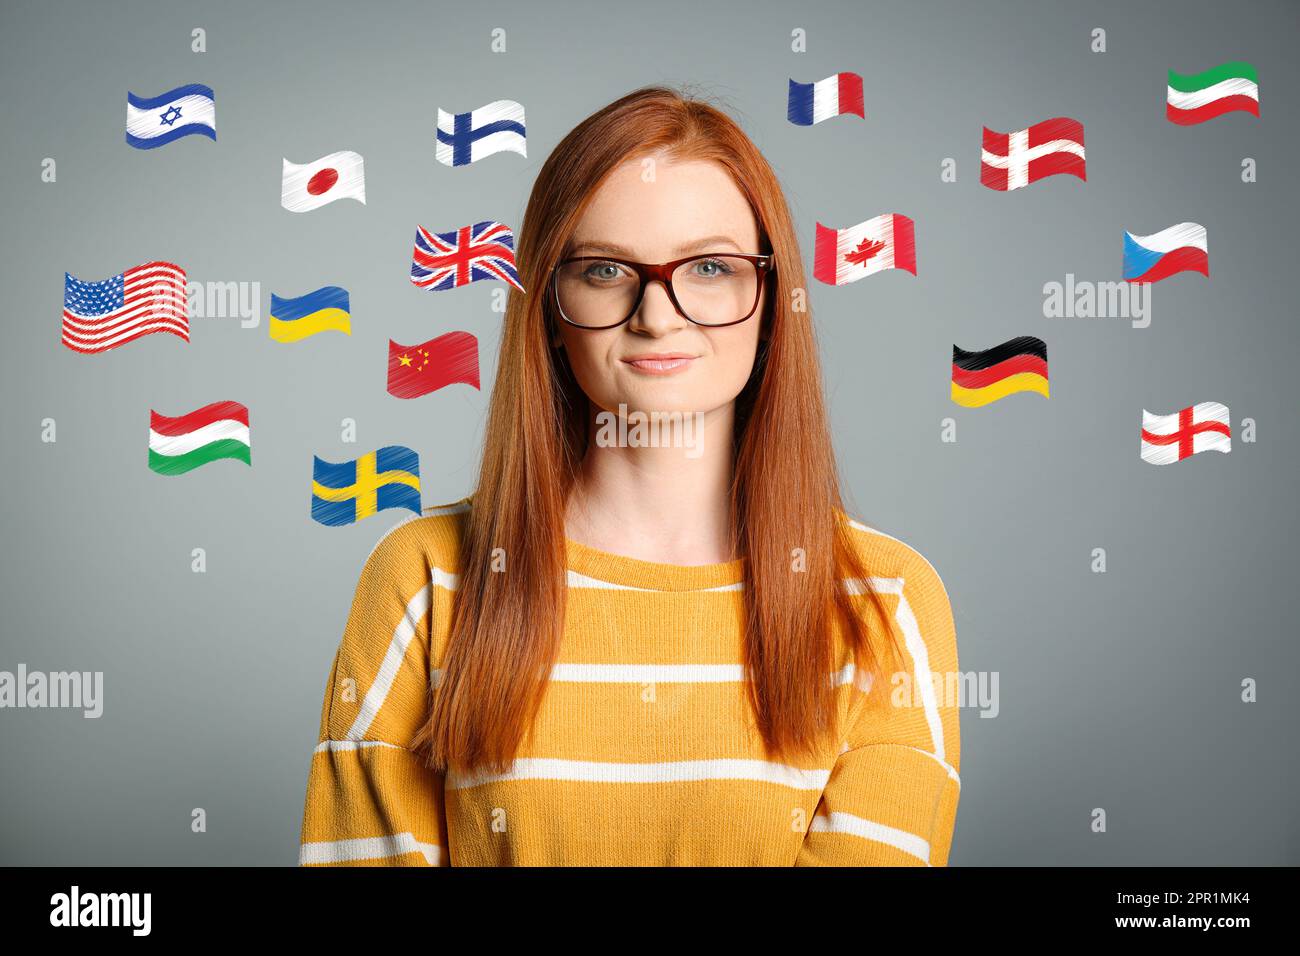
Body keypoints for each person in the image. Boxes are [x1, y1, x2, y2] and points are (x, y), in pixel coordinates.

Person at [298, 85, 960, 866]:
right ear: (547, 306)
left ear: (772, 299)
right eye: (606, 269)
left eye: (710, 266)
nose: (657, 313)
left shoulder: (885, 603)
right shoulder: (422, 577)